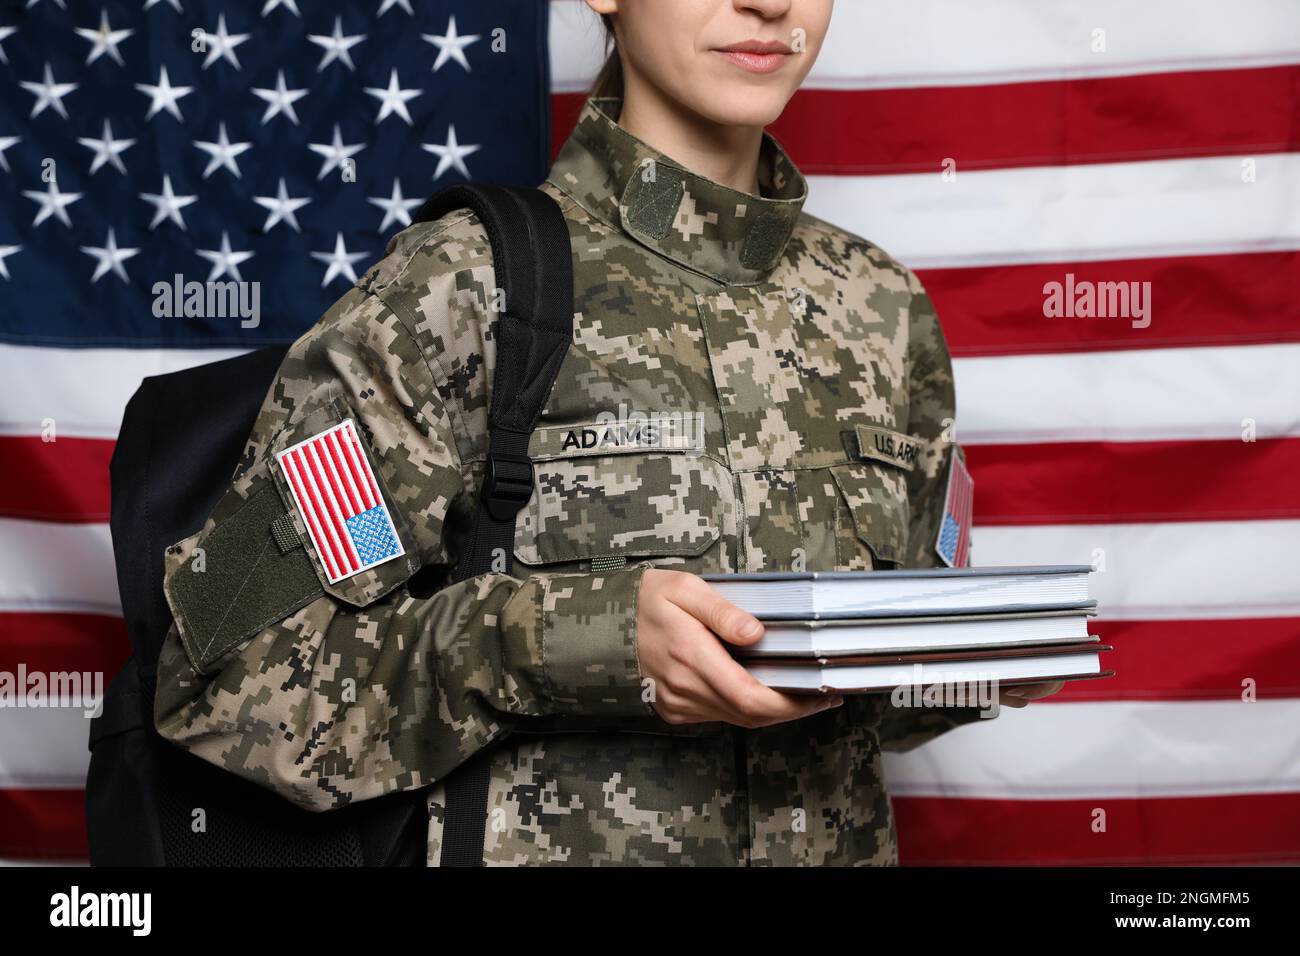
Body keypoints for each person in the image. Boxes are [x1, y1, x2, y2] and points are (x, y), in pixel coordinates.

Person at [154, 0, 1060, 866]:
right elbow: (225, 676)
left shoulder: (883, 308)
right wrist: (573, 640)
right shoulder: (461, 290)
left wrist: (982, 663)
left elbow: (882, 705)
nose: (766, 4)